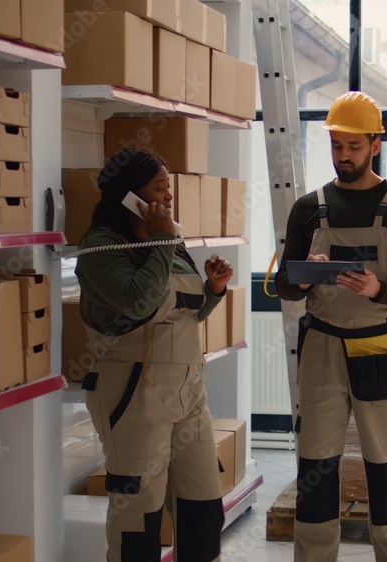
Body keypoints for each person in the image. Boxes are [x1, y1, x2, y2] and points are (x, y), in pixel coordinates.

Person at [275, 91, 387, 562]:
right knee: (315, 466)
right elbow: (283, 284)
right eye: (337, 146)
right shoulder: (308, 208)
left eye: (354, 147)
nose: (343, 156)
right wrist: (306, 275)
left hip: (381, 346)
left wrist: (376, 290)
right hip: (321, 344)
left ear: (375, 145)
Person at [75, 147, 234, 562]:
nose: (168, 198)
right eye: (159, 188)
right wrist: (163, 238)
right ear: (130, 194)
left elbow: (184, 314)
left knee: (202, 506)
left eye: (169, 188)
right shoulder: (101, 247)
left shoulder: (168, 241)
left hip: (187, 392)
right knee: (138, 516)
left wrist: (213, 292)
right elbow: (138, 302)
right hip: (133, 394)